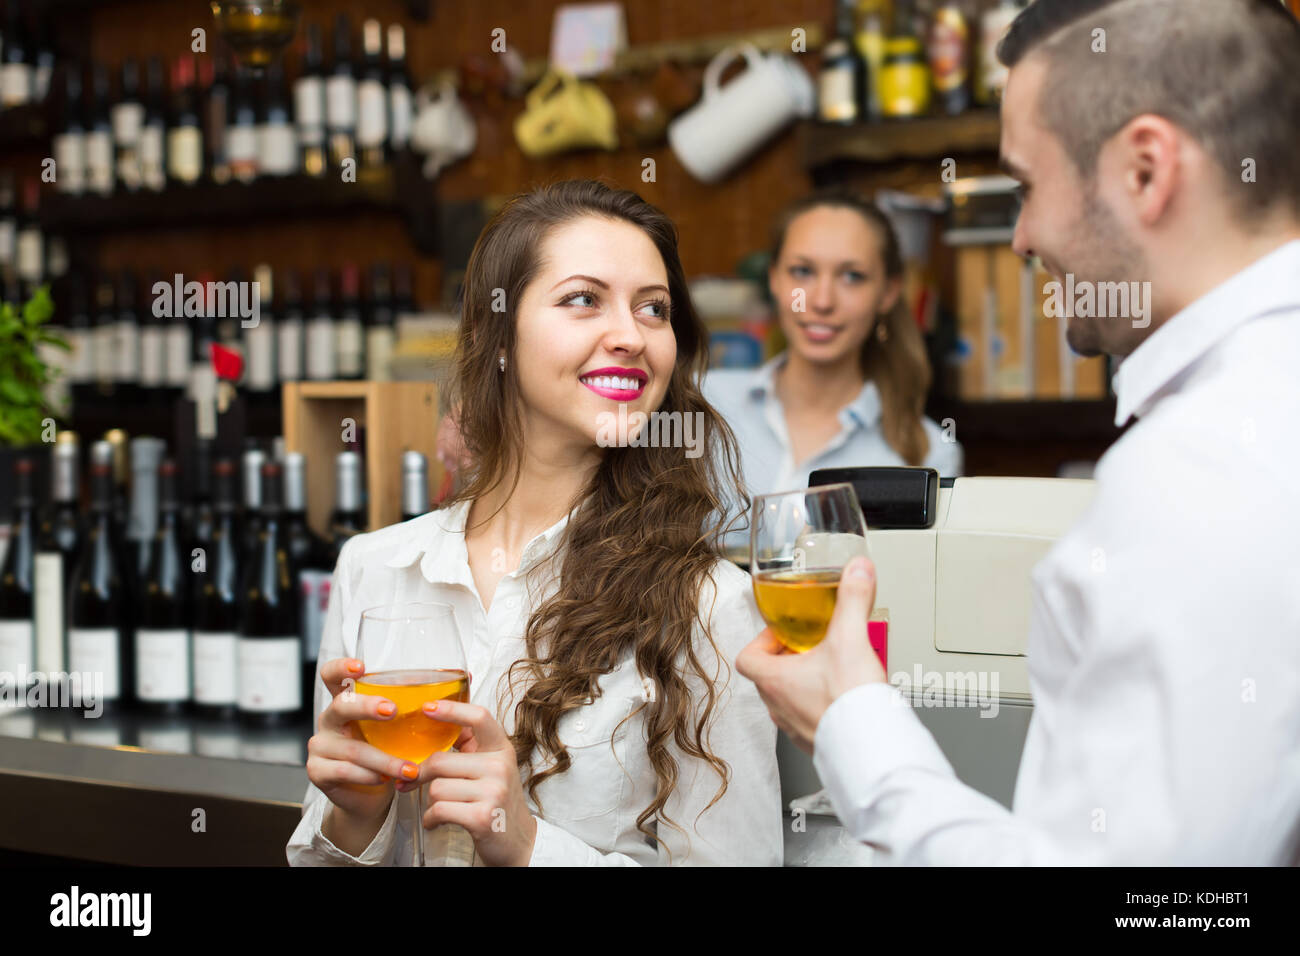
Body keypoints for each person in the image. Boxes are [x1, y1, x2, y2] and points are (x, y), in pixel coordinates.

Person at [737, 0, 1300, 865]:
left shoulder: (1203, 467)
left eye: (1029, 189)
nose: (1023, 238)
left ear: (1146, 172)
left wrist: (849, 721)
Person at [287, 180, 783, 866]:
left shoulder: (709, 606)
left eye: (654, 308)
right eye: (584, 299)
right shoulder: (374, 568)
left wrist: (525, 846)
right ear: (497, 335)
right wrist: (355, 820)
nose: (630, 336)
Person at [702, 188, 962, 553]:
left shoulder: (929, 454)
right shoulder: (703, 402)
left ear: (888, 292)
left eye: (852, 276)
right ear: (775, 279)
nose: (822, 301)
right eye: (803, 271)